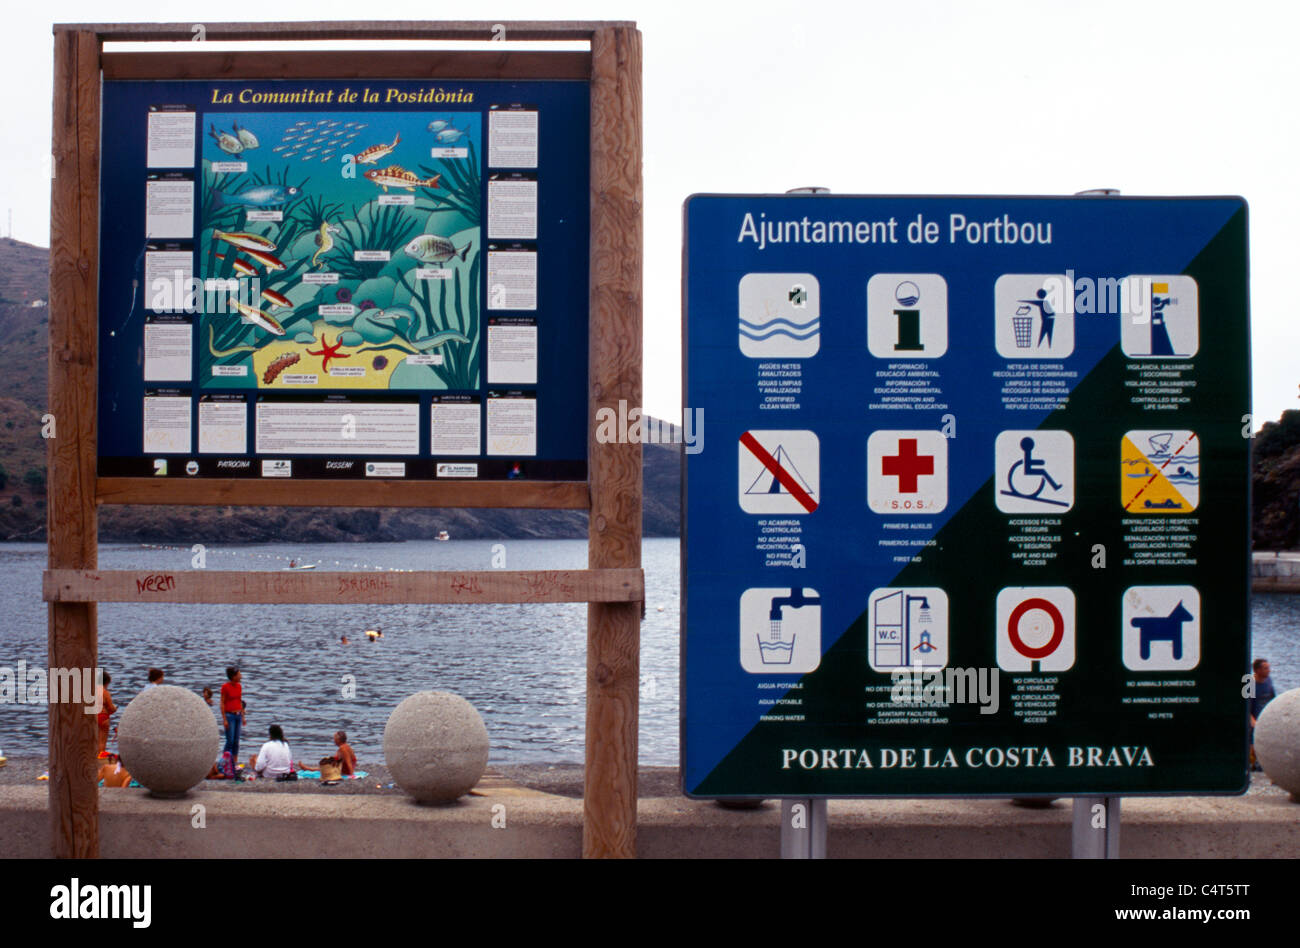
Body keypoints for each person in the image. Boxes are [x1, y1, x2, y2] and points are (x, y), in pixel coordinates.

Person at [1249, 658, 1278, 771]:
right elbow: (1245, 707)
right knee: (1253, 744)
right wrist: (1253, 722)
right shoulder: (1248, 683)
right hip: (1253, 721)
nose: (1269, 671)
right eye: (1266, 668)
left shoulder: (1269, 681)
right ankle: (1251, 765)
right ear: (1257, 670)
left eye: (1268, 668)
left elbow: (1273, 700)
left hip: (1266, 718)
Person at [220, 667, 244, 768]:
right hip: (230, 715)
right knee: (230, 740)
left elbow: (239, 701)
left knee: (236, 741)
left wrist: (243, 716)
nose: (241, 676)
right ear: (233, 676)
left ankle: (234, 762)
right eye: (239, 674)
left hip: (238, 715)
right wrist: (224, 719)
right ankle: (224, 762)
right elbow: (222, 702)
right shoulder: (225, 687)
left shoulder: (239, 686)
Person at [96, 671, 117, 757]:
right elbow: (111, 708)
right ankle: (100, 758)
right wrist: (115, 709)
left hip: (91, 718)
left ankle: (93, 757)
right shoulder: (105, 692)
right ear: (106, 682)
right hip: (103, 717)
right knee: (102, 740)